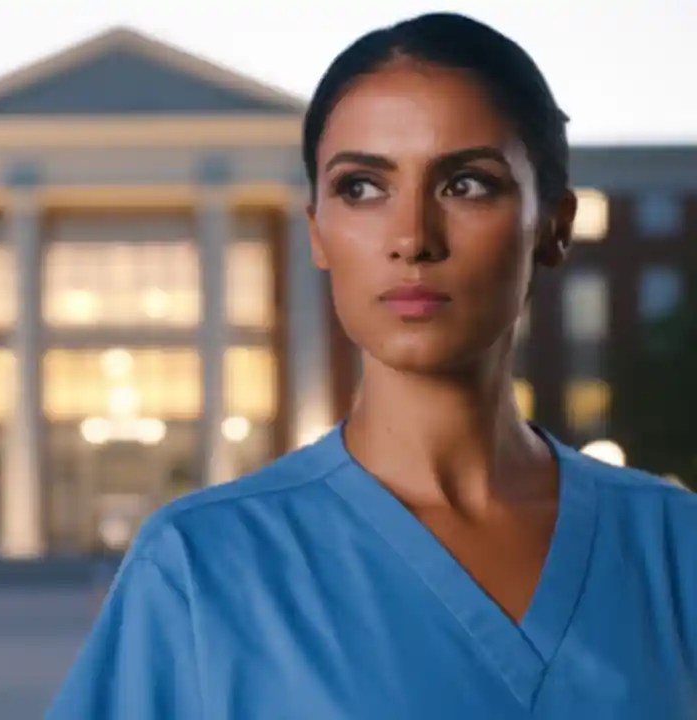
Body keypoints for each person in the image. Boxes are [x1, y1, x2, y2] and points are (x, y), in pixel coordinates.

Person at [46, 12, 697, 719]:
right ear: (318, 230)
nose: (413, 237)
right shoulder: (202, 565)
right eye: (362, 188)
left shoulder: (673, 548)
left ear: (555, 225)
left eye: (467, 184)